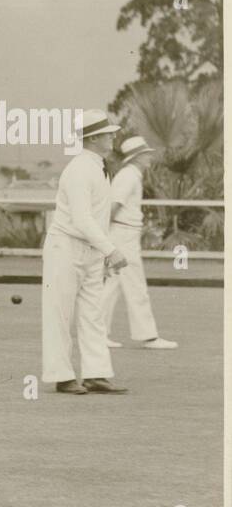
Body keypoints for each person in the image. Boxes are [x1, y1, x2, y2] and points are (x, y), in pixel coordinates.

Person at [41, 109, 129, 394]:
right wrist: (111, 249)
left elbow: (98, 216)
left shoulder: (98, 167)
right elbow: (81, 219)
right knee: (60, 314)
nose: (113, 137)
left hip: (90, 251)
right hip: (65, 248)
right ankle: (62, 375)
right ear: (93, 139)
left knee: (93, 313)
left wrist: (101, 253)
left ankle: (96, 373)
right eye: (108, 134)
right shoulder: (79, 169)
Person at [103, 136, 176, 350]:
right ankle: (149, 336)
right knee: (135, 285)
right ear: (137, 157)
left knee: (113, 285)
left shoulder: (132, 175)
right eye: (146, 154)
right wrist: (104, 237)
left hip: (125, 234)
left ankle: (97, 333)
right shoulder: (128, 176)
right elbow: (113, 207)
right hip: (122, 235)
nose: (150, 158)